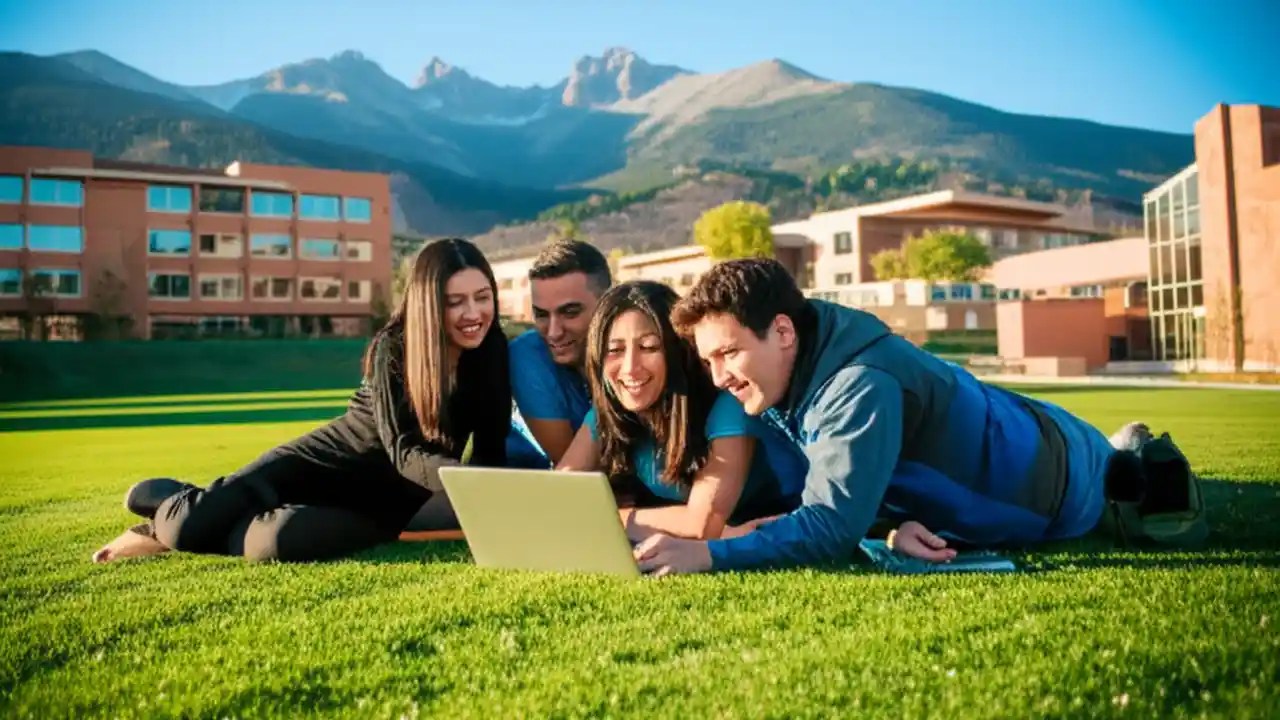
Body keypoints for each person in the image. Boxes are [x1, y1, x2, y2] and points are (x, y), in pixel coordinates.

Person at [634, 258, 1130, 575]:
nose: (718, 377)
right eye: (707, 362)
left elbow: (828, 526)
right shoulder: (803, 347)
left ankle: (1130, 456)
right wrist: (884, 527)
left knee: (1133, 483)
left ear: (782, 332)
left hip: (1068, 483)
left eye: (728, 354)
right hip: (1014, 420)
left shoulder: (856, 384)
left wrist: (708, 554)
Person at [92, 238, 511, 563]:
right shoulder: (394, 349)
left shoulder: (492, 353)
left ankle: (206, 519)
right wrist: (470, 481)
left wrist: (492, 497)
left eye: (482, 296)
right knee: (186, 529)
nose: (473, 312)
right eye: (455, 301)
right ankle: (171, 511)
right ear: (427, 304)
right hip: (316, 467)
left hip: (382, 508)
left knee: (278, 542)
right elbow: (404, 453)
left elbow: (491, 451)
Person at [558, 281, 806, 541]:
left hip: (787, 516)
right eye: (615, 350)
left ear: (677, 351)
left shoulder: (725, 405)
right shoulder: (607, 414)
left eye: (649, 347)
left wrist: (607, 517)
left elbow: (701, 524)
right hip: (728, 527)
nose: (630, 367)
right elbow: (553, 495)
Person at [505, 239, 613, 467]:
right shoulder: (528, 357)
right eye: (542, 315)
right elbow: (579, 475)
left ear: (608, 304)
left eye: (570, 312)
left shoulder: (640, 351)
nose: (553, 333)